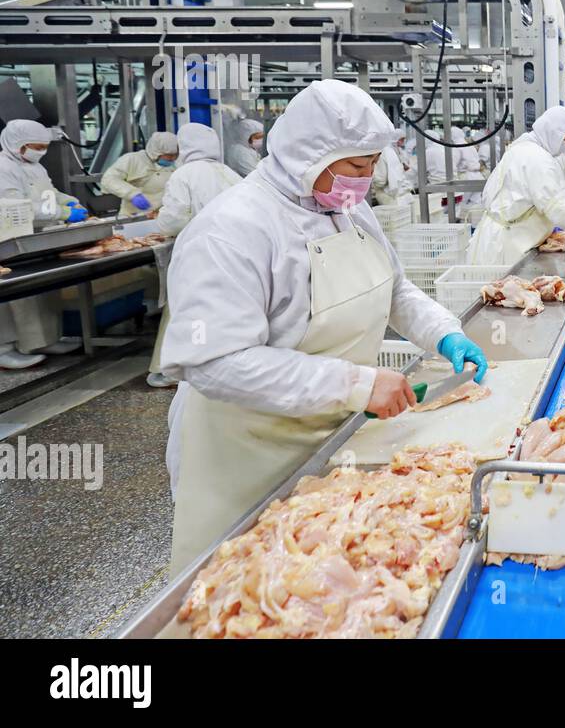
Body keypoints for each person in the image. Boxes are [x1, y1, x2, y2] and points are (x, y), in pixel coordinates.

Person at [160, 79, 488, 575]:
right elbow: (216, 362)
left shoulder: (347, 211)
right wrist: (357, 384)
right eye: (358, 166)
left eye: (374, 164)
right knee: (251, 589)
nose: (367, 178)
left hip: (331, 432)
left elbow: (395, 288)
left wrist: (444, 331)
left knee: (323, 582)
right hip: (249, 451)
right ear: (309, 156)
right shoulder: (230, 230)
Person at [148, 123, 243, 388]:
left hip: (198, 252)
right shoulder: (229, 173)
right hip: (232, 252)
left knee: (182, 308)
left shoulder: (185, 174)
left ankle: (170, 368)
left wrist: (160, 224)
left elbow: (175, 219)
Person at [466, 106, 565, 266]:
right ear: (554, 132)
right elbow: (558, 206)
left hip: (511, 237)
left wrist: (549, 225)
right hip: (506, 245)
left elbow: (557, 196)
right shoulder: (536, 157)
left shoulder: (529, 149)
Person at [0, 120, 90, 367]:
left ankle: (43, 340)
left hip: (35, 236)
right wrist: (61, 213)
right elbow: (15, 207)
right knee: (13, 296)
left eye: (43, 147)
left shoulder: (35, 167)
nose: (40, 151)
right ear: (17, 144)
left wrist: (68, 201)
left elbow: (49, 193)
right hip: (8, 238)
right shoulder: (3, 167)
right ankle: (4, 348)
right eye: (35, 146)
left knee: (42, 291)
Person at [99, 131, 179, 216]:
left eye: (175, 155)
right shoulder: (132, 159)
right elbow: (108, 179)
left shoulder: (174, 166)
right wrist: (132, 194)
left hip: (160, 215)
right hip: (132, 216)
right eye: (169, 156)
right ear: (156, 152)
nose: (173, 158)